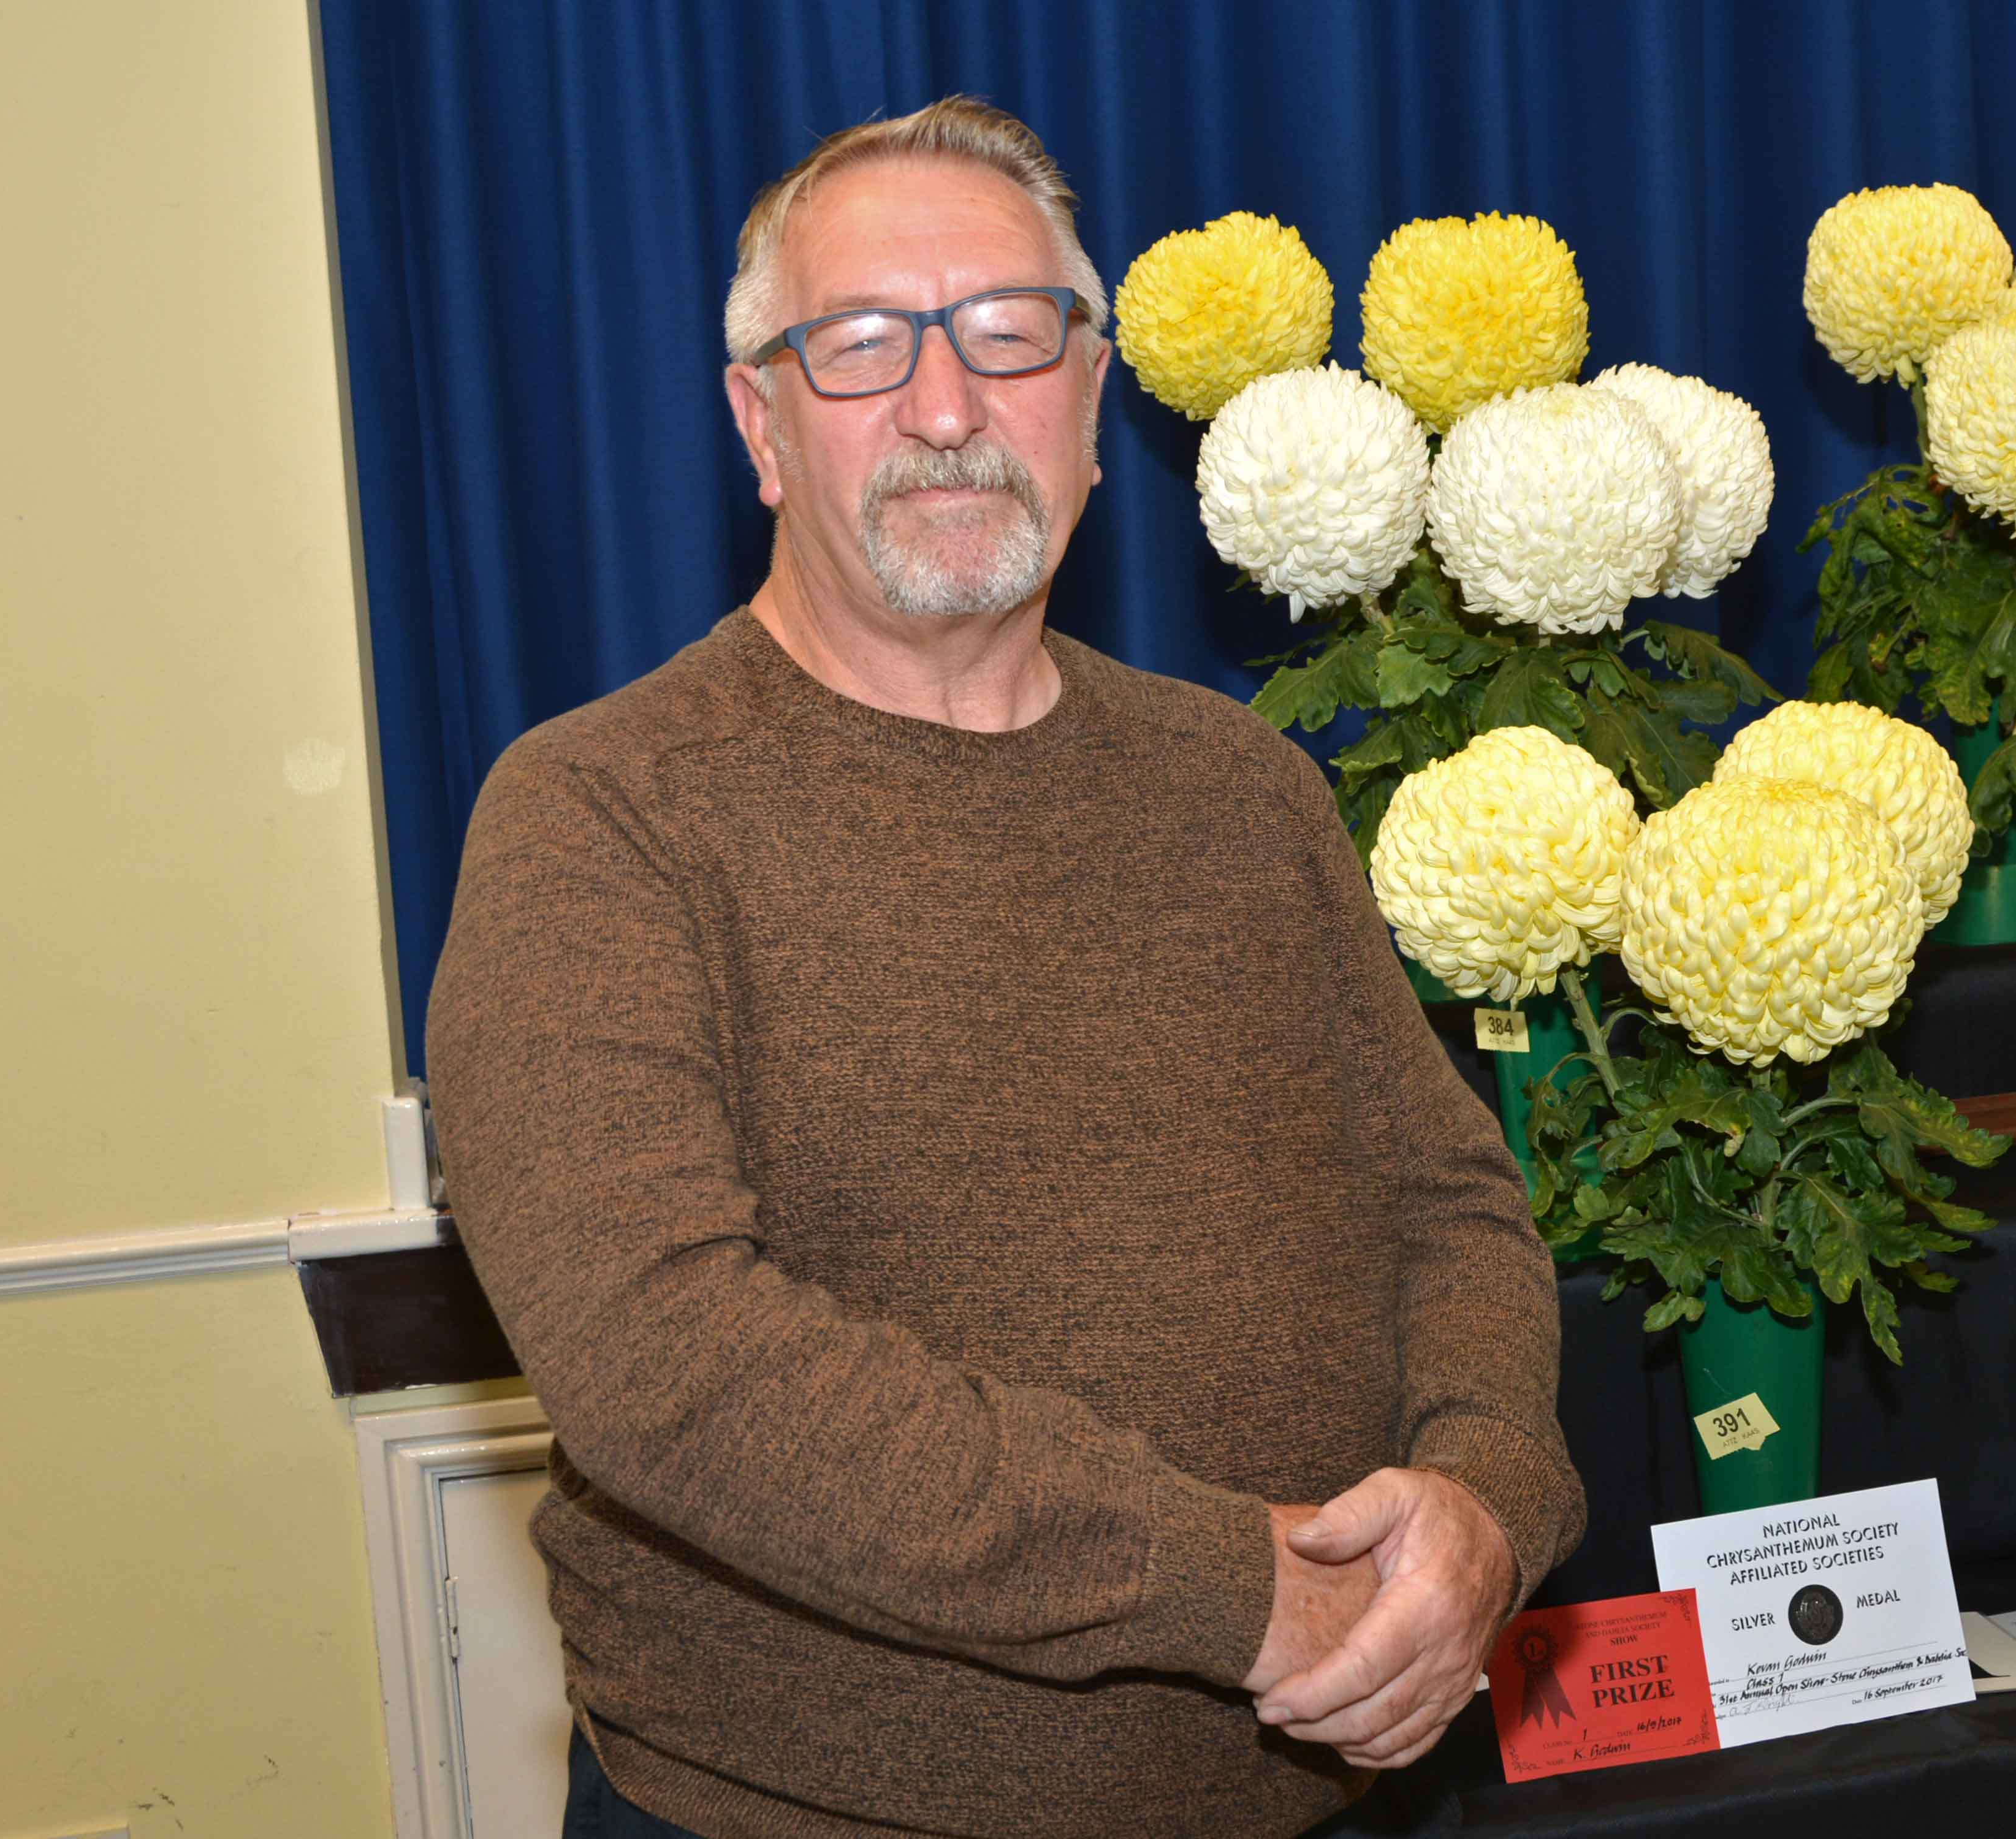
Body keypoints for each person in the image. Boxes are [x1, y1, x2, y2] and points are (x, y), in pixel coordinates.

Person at [426, 96, 1584, 1839]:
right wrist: (1233, 1588)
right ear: (759, 425)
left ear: (1096, 405)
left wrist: (1488, 1502)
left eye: (1009, 335)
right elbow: (670, 1362)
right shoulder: (599, 817)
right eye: (865, 345)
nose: (951, 407)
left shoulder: (1244, 786)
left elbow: (1451, 1207)